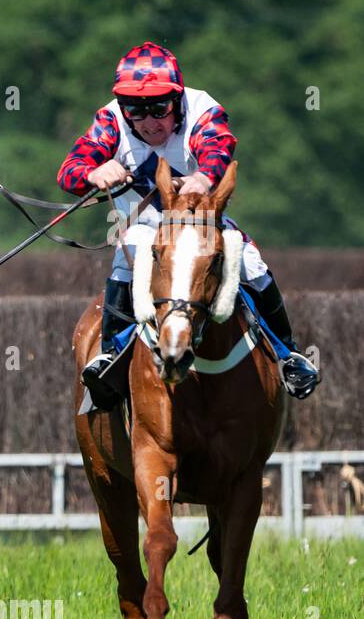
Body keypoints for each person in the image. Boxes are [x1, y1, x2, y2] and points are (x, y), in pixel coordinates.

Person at [61, 41, 320, 402]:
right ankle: (111, 354)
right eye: (136, 110)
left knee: (249, 260)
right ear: (123, 107)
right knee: (131, 246)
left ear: (177, 99)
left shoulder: (203, 109)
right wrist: (92, 174)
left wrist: (203, 178)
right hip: (147, 230)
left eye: (159, 108)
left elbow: (217, 149)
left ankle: (288, 355)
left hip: (202, 226)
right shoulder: (109, 120)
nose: (150, 121)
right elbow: (70, 171)